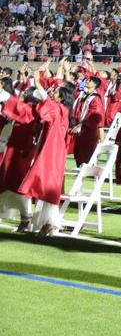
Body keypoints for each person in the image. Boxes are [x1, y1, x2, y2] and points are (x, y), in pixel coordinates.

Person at [0, 79, 72, 234]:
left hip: (51, 154)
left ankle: (49, 222)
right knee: (43, 188)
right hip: (48, 152)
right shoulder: (56, 110)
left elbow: (45, 101)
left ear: (61, 98)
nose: (53, 94)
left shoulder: (59, 110)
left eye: (56, 93)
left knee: (47, 188)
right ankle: (45, 222)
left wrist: (38, 81)